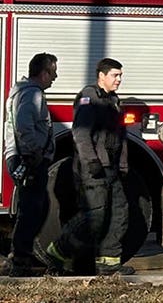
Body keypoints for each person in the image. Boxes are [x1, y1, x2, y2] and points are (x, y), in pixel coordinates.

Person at [42, 58, 134, 276]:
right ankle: (57, 252)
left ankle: (109, 264)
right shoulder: (88, 97)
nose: (119, 80)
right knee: (95, 216)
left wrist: (122, 165)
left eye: (120, 75)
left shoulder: (113, 99)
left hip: (111, 169)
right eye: (115, 75)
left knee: (120, 213)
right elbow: (81, 134)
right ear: (101, 76)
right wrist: (91, 162)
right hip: (92, 169)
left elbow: (120, 136)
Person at [2, 53, 58, 277]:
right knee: (32, 210)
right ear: (43, 73)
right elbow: (25, 127)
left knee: (37, 207)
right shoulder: (32, 94)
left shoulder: (24, 92)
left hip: (24, 157)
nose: (55, 77)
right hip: (28, 159)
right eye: (53, 72)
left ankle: (20, 256)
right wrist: (34, 153)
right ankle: (20, 262)